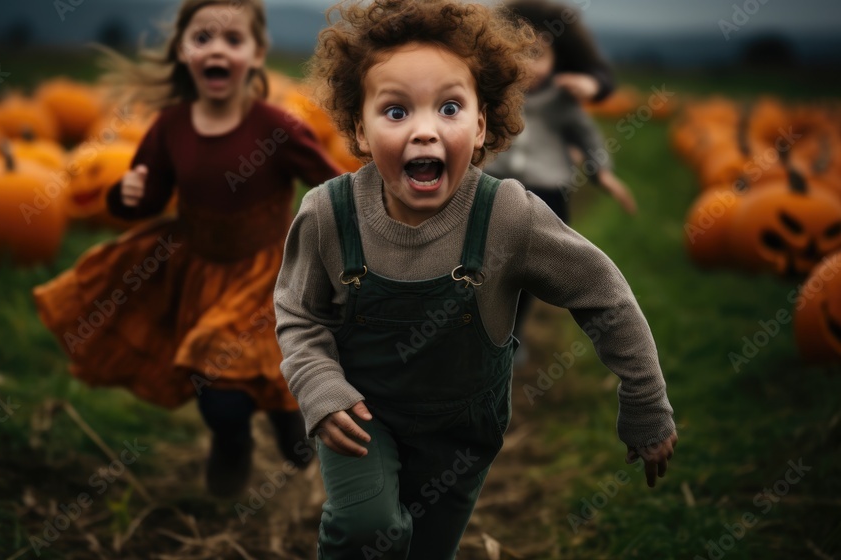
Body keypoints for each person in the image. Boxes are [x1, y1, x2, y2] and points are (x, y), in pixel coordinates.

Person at [272, 1, 677, 558]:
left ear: (482, 123)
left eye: (450, 107)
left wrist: (645, 403)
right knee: (367, 531)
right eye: (395, 112)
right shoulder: (328, 214)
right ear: (358, 130)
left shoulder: (509, 215)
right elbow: (299, 312)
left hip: (461, 436)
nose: (423, 131)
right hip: (360, 417)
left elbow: (605, 296)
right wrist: (318, 386)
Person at [33, 0, 342, 498]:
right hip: (197, 270)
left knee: (283, 402)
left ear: (256, 53)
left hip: (268, 273)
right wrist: (125, 195)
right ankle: (231, 445)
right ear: (183, 51)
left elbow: (331, 186)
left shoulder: (276, 128)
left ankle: (289, 418)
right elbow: (148, 196)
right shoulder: (171, 127)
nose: (217, 49)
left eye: (233, 39)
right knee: (221, 393)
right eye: (203, 38)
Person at [485, 0, 638, 345]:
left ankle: (511, 335)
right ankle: (485, 328)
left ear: (557, 59)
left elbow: (587, 136)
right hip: (497, 189)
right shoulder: (493, 97)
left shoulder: (561, 101)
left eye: (539, 55)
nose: (530, 66)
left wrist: (603, 174)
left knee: (529, 271)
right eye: (520, 54)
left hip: (547, 193)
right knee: (491, 266)